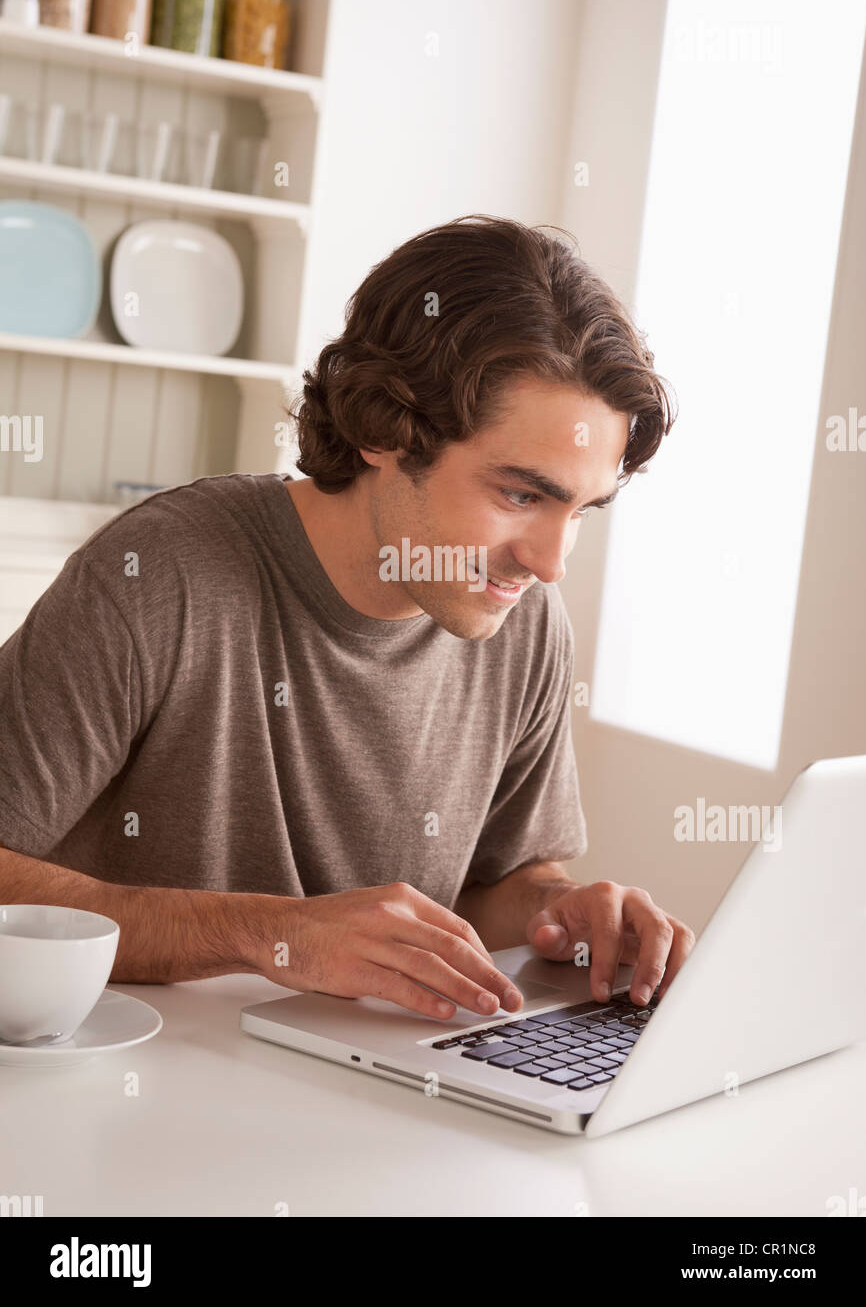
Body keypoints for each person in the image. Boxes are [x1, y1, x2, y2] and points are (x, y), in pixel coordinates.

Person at [0, 215, 694, 1023]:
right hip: (135, 1085)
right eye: (520, 494)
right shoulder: (160, 574)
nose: (549, 561)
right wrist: (271, 933)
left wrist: (560, 909)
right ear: (381, 430)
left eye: (581, 510)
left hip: (364, 1099)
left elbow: (493, 886)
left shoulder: (526, 624)